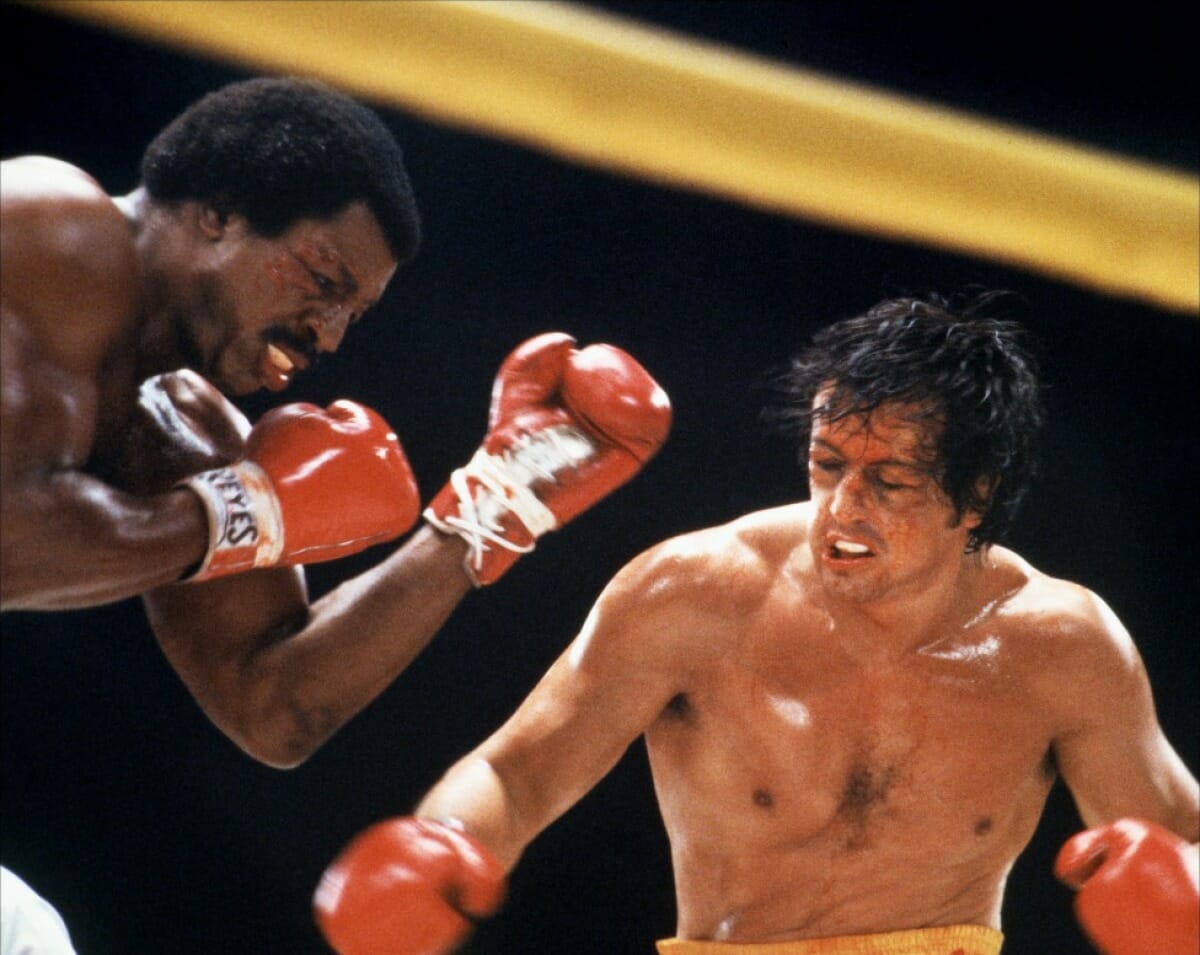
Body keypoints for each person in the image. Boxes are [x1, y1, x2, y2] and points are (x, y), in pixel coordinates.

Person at [0, 76, 671, 953]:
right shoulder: (51, 223)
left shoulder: (182, 430)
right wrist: (242, 512)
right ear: (218, 214)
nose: (328, 335)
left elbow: (277, 704)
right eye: (321, 280)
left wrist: (485, 508)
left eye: (353, 312)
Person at [314, 292, 1199, 955]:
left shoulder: (1060, 646)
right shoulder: (695, 594)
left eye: (888, 481)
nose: (842, 507)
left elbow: (1180, 839)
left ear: (974, 496)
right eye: (827, 464)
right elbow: (514, 774)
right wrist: (444, 841)